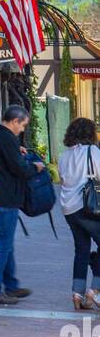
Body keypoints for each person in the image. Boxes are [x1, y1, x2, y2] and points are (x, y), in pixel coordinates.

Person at [0, 105, 44, 306]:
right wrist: (35, 166)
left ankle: (11, 284)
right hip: (7, 197)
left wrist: (17, 152)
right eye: (22, 125)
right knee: (3, 243)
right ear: (15, 121)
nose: (22, 129)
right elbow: (20, 169)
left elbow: (2, 159)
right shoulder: (7, 138)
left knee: (5, 242)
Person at [58, 117, 100, 311]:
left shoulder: (65, 155)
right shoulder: (93, 151)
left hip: (69, 209)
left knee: (81, 250)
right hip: (89, 208)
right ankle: (95, 289)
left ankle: (77, 293)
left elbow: (63, 178)